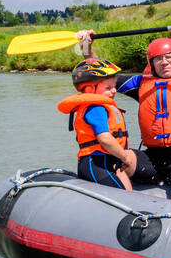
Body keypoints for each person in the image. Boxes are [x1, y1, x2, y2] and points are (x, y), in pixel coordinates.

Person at [75, 17, 171, 204]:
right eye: (158, 59)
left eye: (169, 57)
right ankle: (124, 207)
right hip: (151, 160)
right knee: (116, 156)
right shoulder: (140, 84)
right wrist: (86, 45)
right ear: (151, 64)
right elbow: (102, 74)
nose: (164, 62)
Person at [58, 58, 141, 190]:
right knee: (120, 196)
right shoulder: (96, 109)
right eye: (108, 88)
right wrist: (125, 156)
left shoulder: (102, 107)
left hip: (109, 162)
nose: (114, 91)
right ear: (90, 89)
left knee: (128, 194)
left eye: (114, 86)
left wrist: (120, 159)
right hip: (95, 165)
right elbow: (105, 139)